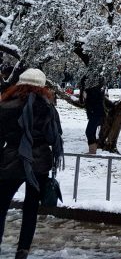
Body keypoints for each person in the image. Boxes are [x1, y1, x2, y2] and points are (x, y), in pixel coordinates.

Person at [0, 68, 64, 259]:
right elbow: (54, 137)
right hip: (39, 163)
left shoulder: (5, 106)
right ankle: (22, 251)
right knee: (30, 209)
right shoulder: (48, 108)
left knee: (1, 206)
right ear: (42, 86)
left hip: (11, 160)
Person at [79, 74, 105, 154]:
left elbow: (95, 103)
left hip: (96, 114)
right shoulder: (88, 91)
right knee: (91, 131)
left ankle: (92, 150)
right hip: (93, 114)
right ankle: (92, 150)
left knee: (89, 131)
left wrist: (92, 111)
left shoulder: (93, 91)